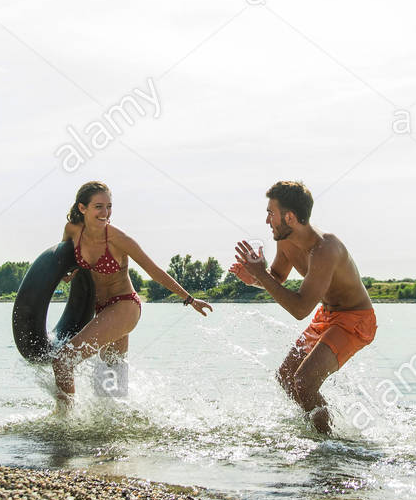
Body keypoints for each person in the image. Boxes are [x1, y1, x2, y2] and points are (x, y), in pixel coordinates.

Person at [232, 180, 375, 434]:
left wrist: (261, 275)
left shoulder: (325, 249)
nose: (267, 221)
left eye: (270, 213)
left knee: (304, 382)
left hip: (355, 319)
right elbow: (276, 278)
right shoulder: (285, 240)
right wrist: (254, 279)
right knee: (286, 378)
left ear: (289, 217)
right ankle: (320, 431)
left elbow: (300, 310)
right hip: (326, 315)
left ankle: (329, 444)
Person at [52, 181, 212, 405]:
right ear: (82, 208)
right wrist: (68, 274)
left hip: (124, 306)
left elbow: (154, 271)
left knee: (63, 360)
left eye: (109, 206)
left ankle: (64, 422)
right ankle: (117, 426)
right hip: (101, 310)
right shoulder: (72, 230)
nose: (105, 212)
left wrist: (189, 299)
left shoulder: (119, 239)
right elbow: (66, 265)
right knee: (109, 388)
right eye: (98, 206)